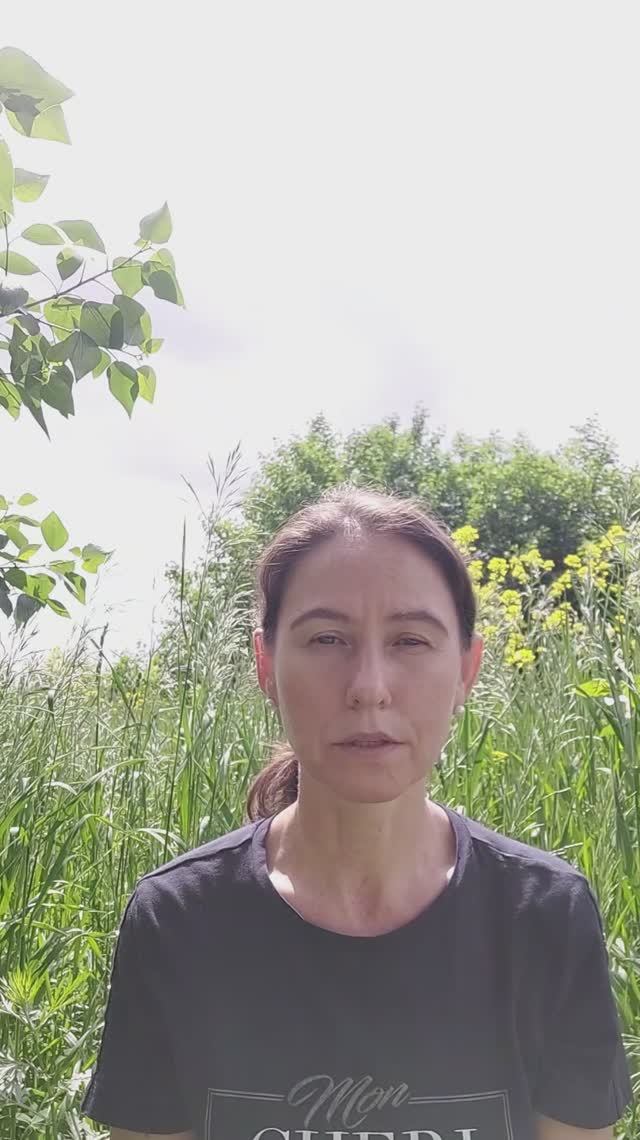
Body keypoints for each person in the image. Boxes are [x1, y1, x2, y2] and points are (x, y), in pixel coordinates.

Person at [81, 486, 633, 1140]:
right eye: (326, 638)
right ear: (266, 665)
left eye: (410, 640)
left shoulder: (545, 917)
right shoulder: (179, 919)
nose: (369, 687)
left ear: (467, 670)